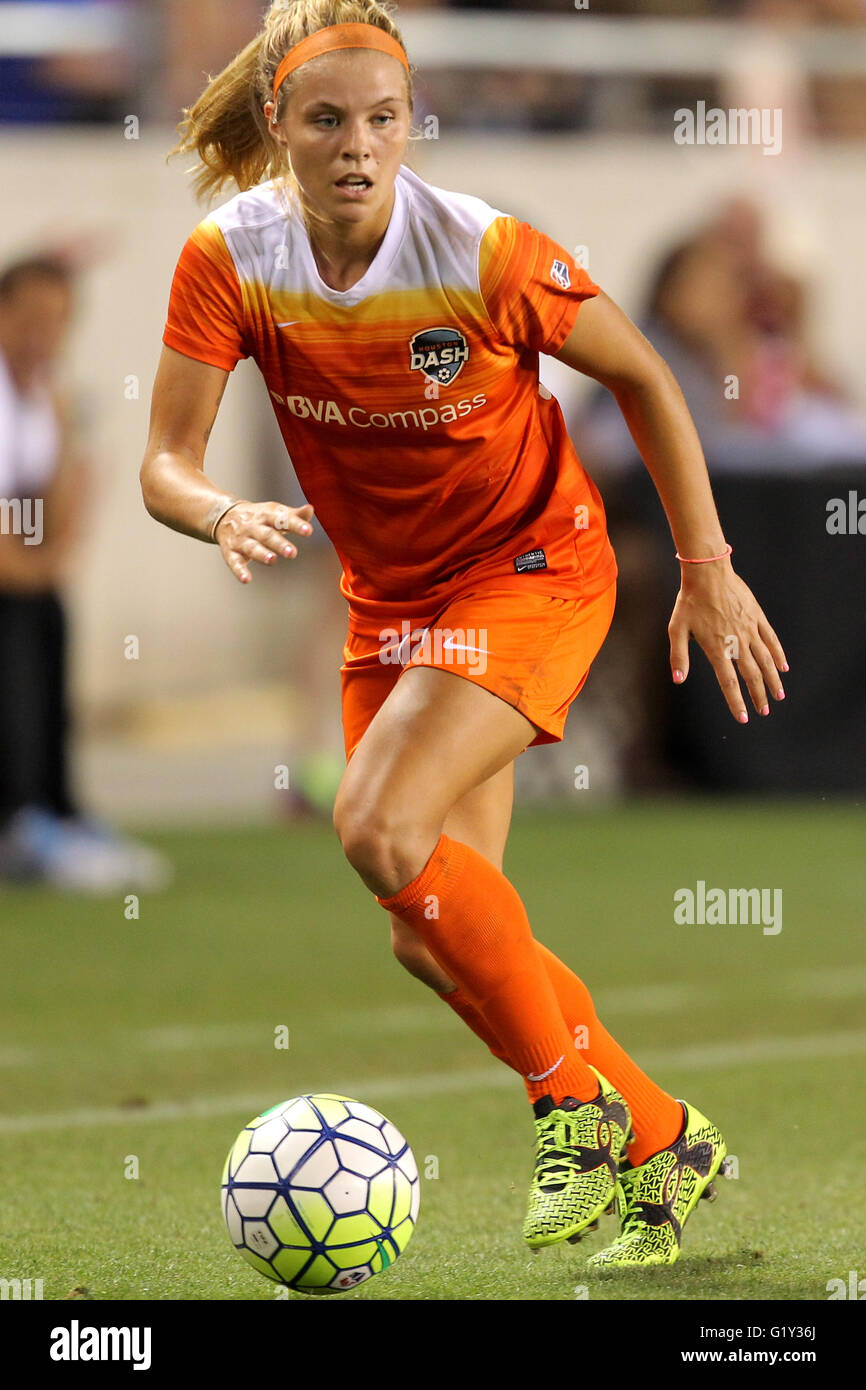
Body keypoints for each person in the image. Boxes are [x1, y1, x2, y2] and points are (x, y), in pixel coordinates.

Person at [141, 0, 788, 1270]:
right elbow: (165, 461)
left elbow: (646, 374)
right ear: (278, 123)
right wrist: (219, 513)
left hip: (532, 570)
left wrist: (704, 566)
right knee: (424, 934)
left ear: (409, 123)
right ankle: (659, 1133)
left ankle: (566, 1108)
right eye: (325, 120)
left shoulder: (478, 248)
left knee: (374, 824)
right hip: (393, 604)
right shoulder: (230, 257)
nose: (356, 147)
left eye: (381, 120)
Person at [0, 254, 170, 892]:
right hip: (7, 573)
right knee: (15, 640)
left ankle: (57, 809)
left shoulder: (46, 393)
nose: (45, 335)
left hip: (25, 571)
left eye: (59, 322)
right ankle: (19, 821)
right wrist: (32, 563)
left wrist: (66, 426)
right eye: (33, 318)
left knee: (47, 627)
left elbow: (61, 502)